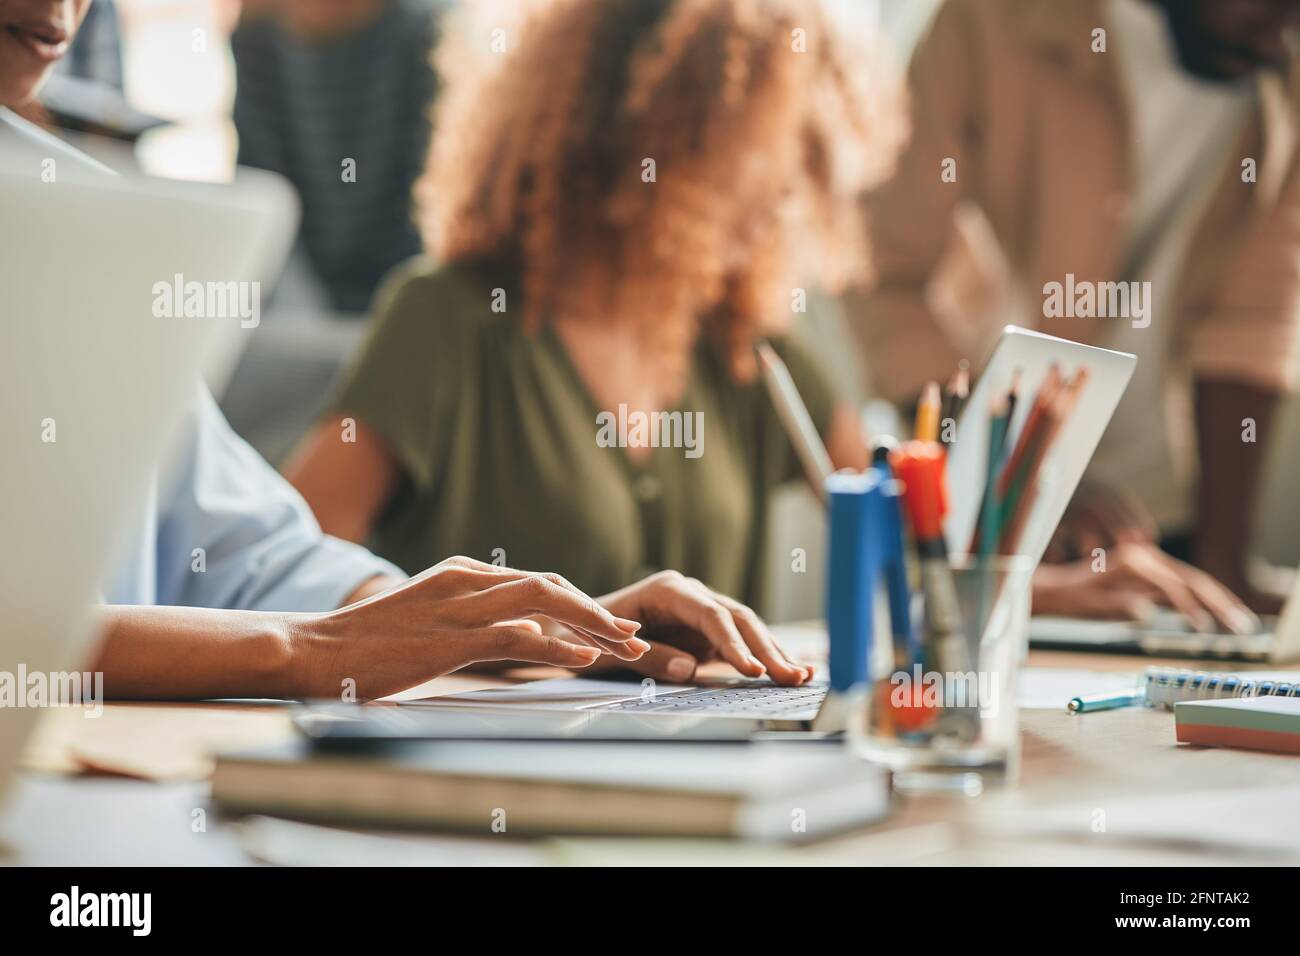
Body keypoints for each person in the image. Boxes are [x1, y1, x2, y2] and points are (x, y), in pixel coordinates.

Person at [1, 0, 812, 697]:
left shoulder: (80, 216)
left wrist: (519, 630)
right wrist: (310, 652)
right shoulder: (446, 313)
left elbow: (259, 558)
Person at [284, 0, 891, 619]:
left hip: (725, 719)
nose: (776, 191)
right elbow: (295, 574)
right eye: (743, 154)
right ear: (633, 140)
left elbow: (910, 540)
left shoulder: (743, 350)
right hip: (480, 721)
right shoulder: (446, 320)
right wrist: (539, 646)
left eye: (789, 156)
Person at [848, 0, 1300, 625]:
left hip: (1163, 521)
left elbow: (1253, 321)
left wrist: (1225, 567)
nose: (1284, 31)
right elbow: (881, 270)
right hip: (1003, 520)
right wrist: (1021, 474)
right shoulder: (988, 22)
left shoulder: (1279, 68)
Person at [230, 0, 446, 313]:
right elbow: (260, 192)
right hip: (298, 309)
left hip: (405, 300)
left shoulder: (427, 34)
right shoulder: (257, 34)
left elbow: (428, 219)